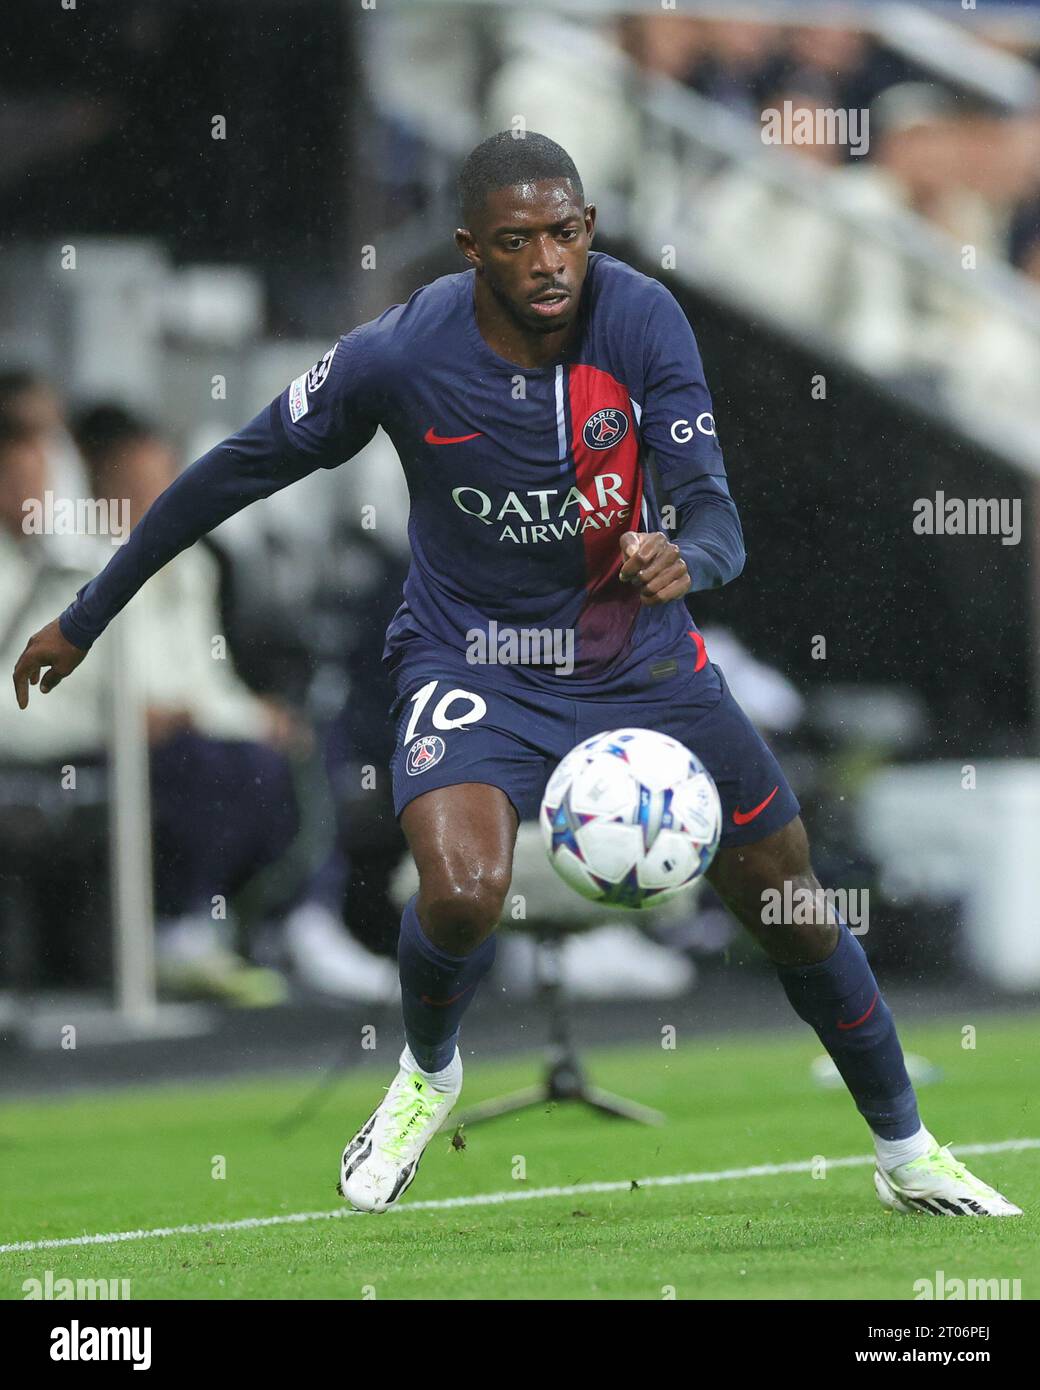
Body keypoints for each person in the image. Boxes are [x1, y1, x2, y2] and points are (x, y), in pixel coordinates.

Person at [12, 132, 1019, 1219]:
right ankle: (429, 1071)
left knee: (790, 902)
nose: (547, 261)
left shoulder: (640, 318)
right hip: (472, 660)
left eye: (564, 233)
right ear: (468, 249)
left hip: (639, 659)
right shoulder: (395, 356)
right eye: (515, 240)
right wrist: (87, 611)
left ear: (587, 228)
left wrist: (687, 555)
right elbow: (230, 473)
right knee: (459, 890)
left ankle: (906, 1150)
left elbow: (712, 505)